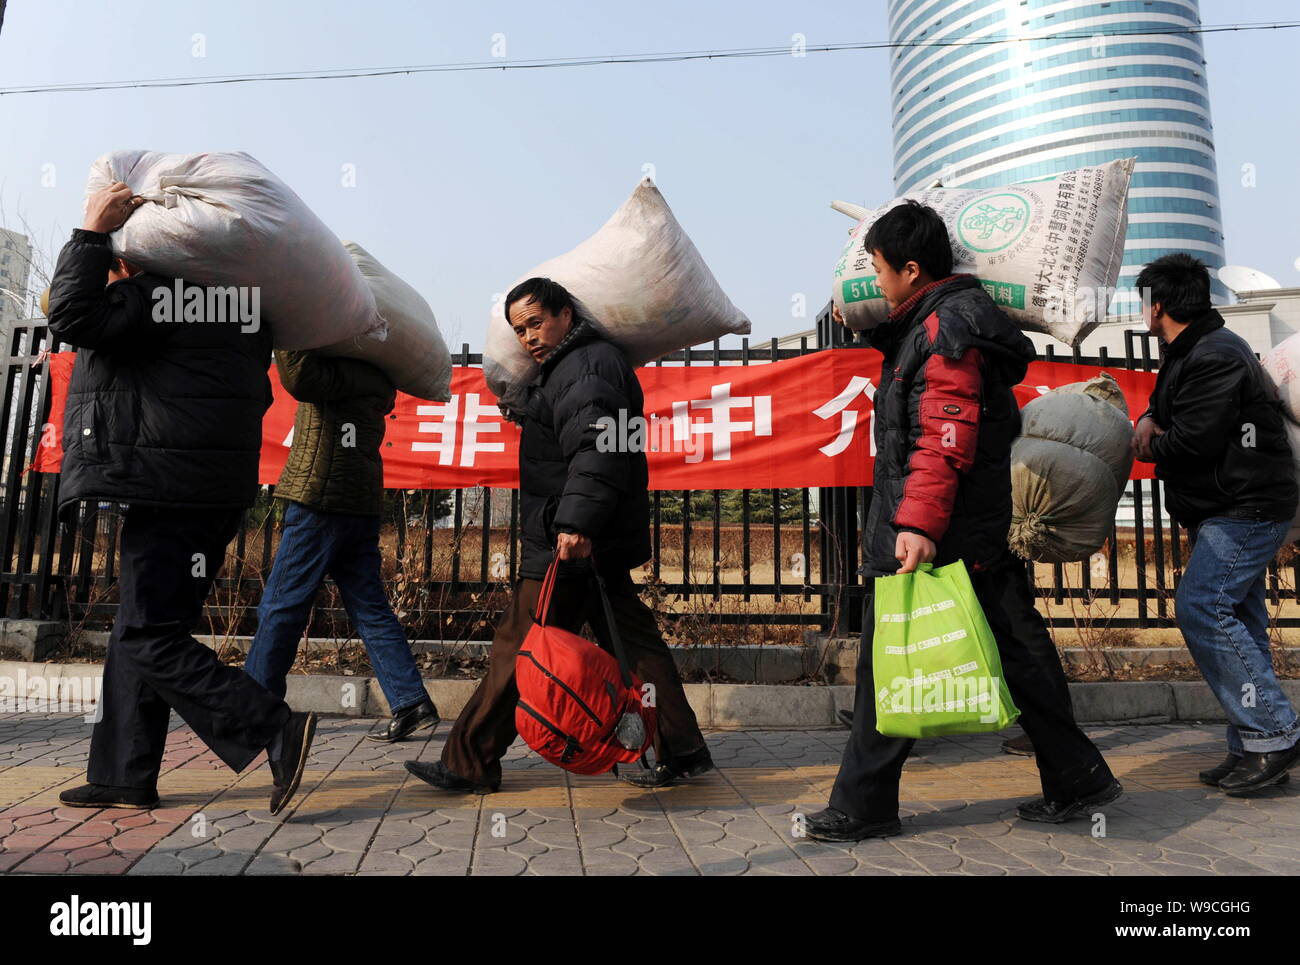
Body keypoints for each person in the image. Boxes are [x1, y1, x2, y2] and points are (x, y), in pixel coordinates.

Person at [806, 201, 1120, 842]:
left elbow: (943, 433)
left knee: (888, 654)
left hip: (940, 523)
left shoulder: (949, 329)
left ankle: (863, 805)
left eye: (878, 268)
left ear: (912, 269)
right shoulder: (950, 322)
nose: (875, 279)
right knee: (1017, 646)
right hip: (971, 521)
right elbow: (921, 381)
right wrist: (869, 327)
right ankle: (1077, 774)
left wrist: (916, 524)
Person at [49, 181, 315, 816]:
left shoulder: (155, 297)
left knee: (146, 635)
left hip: (168, 492)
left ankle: (269, 724)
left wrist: (90, 232)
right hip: (211, 494)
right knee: (139, 632)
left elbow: (71, 317)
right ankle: (122, 774)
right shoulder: (239, 310)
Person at [405, 277, 710, 792]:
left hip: (570, 541)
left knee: (518, 645)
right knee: (633, 646)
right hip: (590, 538)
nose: (529, 337)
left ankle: (470, 761)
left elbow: (599, 448)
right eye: (520, 329)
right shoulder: (574, 368)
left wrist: (575, 523)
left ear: (566, 314)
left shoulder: (589, 366)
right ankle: (681, 747)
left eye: (537, 322)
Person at [1133, 253, 1300, 794]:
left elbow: (1195, 440)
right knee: (1241, 623)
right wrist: (1148, 418)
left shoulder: (1214, 354)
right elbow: (1163, 410)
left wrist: (1152, 441)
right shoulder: (1188, 351)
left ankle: (1275, 733)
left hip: (1245, 506)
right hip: (1224, 506)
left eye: (1144, 301)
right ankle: (1254, 746)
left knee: (1202, 605)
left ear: (1157, 305)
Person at [244, 350, 439, 742]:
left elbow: (297, 378)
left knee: (280, 605)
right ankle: (410, 699)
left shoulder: (337, 370)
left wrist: (292, 319)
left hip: (321, 499)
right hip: (358, 503)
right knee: (369, 607)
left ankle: (251, 712)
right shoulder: (377, 368)